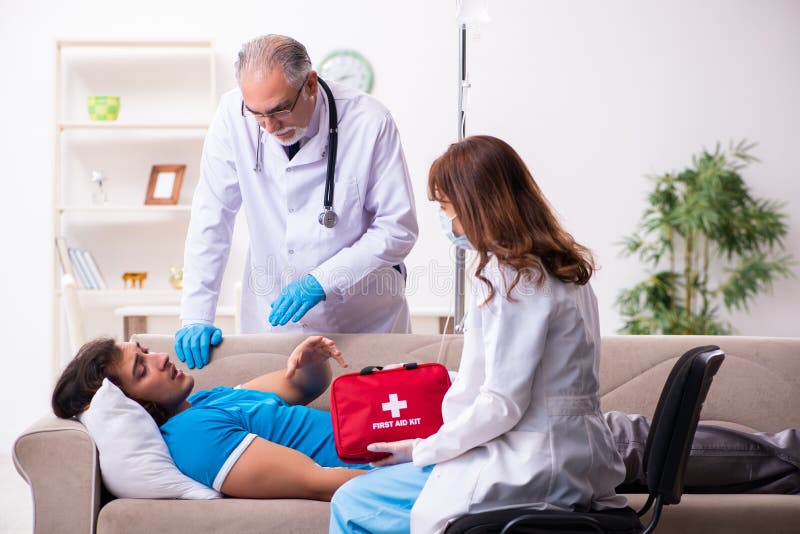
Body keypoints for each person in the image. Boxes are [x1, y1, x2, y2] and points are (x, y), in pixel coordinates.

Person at [329, 135, 628, 533]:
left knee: (353, 500)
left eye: (445, 207)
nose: (446, 221)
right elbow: (533, 379)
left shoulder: (511, 277)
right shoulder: (561, 267)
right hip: (573, 455)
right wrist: (433, 382)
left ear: (475, 205)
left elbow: (502, 403)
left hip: (530, 464)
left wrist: (422, 449)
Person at [176, 34, 418, 369]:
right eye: (257, 114)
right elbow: (211, 217)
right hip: (274, 321)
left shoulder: (369, 121)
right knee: (273, 402)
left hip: (362, 321)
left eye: (280, 110)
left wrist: (323, 280)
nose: (269, 126)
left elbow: (397, 228)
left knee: (367, 401)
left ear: (311, 84)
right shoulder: (233, 115)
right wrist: (196, 314)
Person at [51, 335, 369, 500]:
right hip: (380, 466)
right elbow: (317, 483)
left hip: (386, 439)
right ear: (132, 404)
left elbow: (302, 385)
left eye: (145, 351)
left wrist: (311, 361)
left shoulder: (204, 401)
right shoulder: (193, 436)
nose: (161, 357)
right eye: (142, 369)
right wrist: (400, 478)